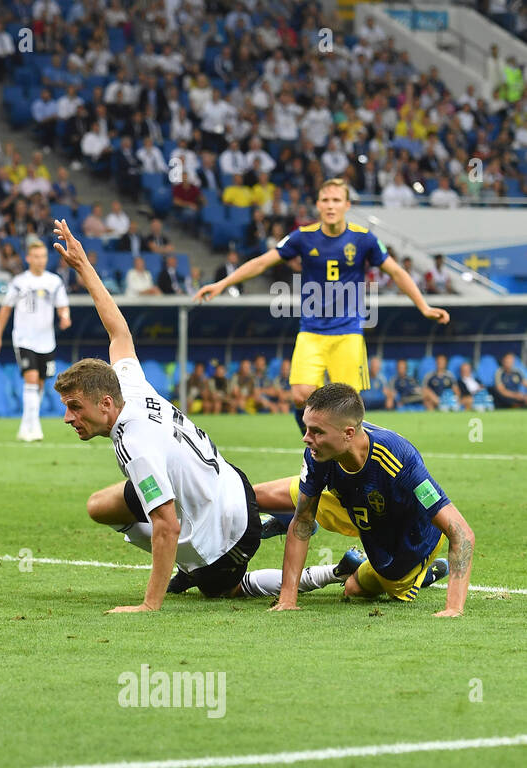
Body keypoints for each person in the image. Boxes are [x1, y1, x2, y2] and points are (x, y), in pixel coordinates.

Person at [49, 218, 353, 610]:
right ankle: (217, 550)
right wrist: (84, 267)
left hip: (229, 531)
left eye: (75, 407)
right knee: (101, 506)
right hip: (232, 484)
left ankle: (328, 573)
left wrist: (148, 605)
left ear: (105, 403)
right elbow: (119, 333)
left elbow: (166, 526)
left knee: (226, 589)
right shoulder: (130, 386)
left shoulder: (133, 442)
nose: (69, 418)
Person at [194, 178, 450, 434]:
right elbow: (262, 262)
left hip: (348, 332)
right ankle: (313, 446)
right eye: (325, 200)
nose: (330, 205)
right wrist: (223, 284)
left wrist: (424, 307)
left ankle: (349, 463)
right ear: (317, 204)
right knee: (299, 395)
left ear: (347, 205)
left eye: (336, 200)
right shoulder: (303, 237)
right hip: (312, 331)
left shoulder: (363, 239)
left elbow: (395, 271)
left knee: (348, 407)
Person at [270, 383, 473, 617]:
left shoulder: (399, 459)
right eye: (306, 428)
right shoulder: (319, 453)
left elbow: (461, 533)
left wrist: (454, 608)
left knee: (353, 589)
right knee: (285, 499)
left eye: (317, 431)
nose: (306, 438)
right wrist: (287, 599)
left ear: (348, 433)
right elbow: (304, 520)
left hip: (410, 539)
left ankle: (422, 574)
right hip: (356, 505)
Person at [0, 238, 71, 441]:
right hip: (24, 339)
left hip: (46, 341)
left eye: (43, 256)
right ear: (28, 258)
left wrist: (65, 316)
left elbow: (63, 306)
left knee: (41, 384)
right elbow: (6, 309)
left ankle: (27, 424)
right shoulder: (19, 282)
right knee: (31, 378)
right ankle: (35, 427)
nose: (40, 260)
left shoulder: (54, 282)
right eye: (36, 256)